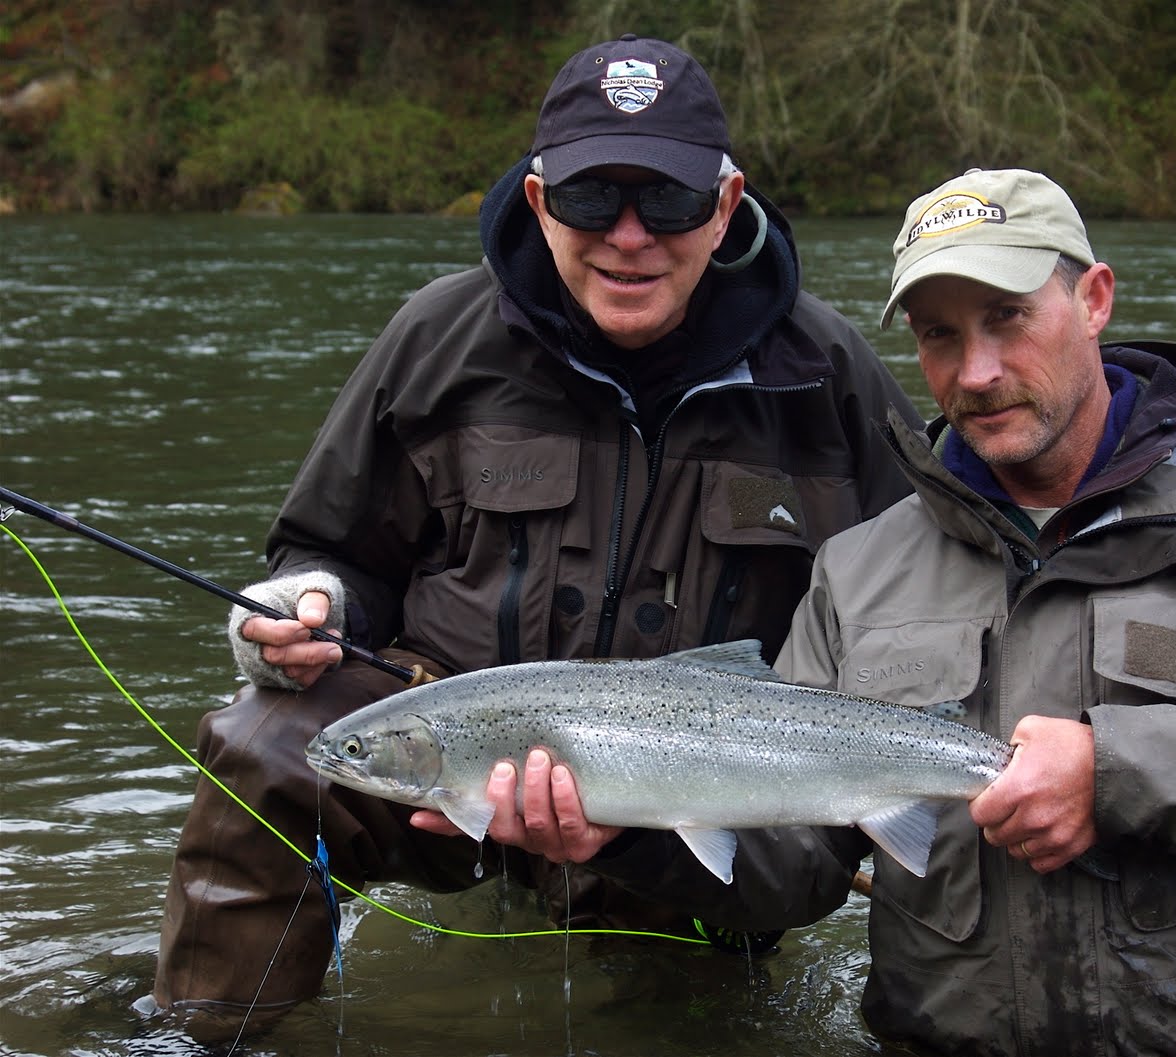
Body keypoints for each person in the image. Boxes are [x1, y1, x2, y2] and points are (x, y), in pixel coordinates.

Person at [493, 168, 1176, 1056]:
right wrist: (630, 825)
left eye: (1007, 318)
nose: (974, 371)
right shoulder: (861, 568)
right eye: (938, 335)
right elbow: (797, 868)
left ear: (1093, 299)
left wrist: (1120, 771)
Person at [149, 34, 921, 1028]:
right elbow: (333, 550)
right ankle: (196, 1036)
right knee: (269, 742)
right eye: (593, 200)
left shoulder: (828, 377)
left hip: (708, 784)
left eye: (670, 202)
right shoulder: (436, 342)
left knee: (695, 1000)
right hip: (453, 756)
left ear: (726, 205)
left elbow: (919, 607)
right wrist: (310, 607)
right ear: (539, 200)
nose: (630, 238)